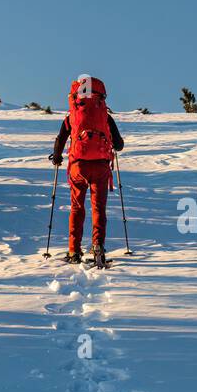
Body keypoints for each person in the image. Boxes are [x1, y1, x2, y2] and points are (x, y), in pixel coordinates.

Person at [50, 76, 124, 264]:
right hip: (100, 166)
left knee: (77, 207)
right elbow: (119, 144)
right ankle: (98, 246)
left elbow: (60, 139)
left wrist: (57, 157)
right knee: (98, 208)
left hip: (78, 166)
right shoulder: (105, 115)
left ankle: (74, 250)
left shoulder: (72, 115)